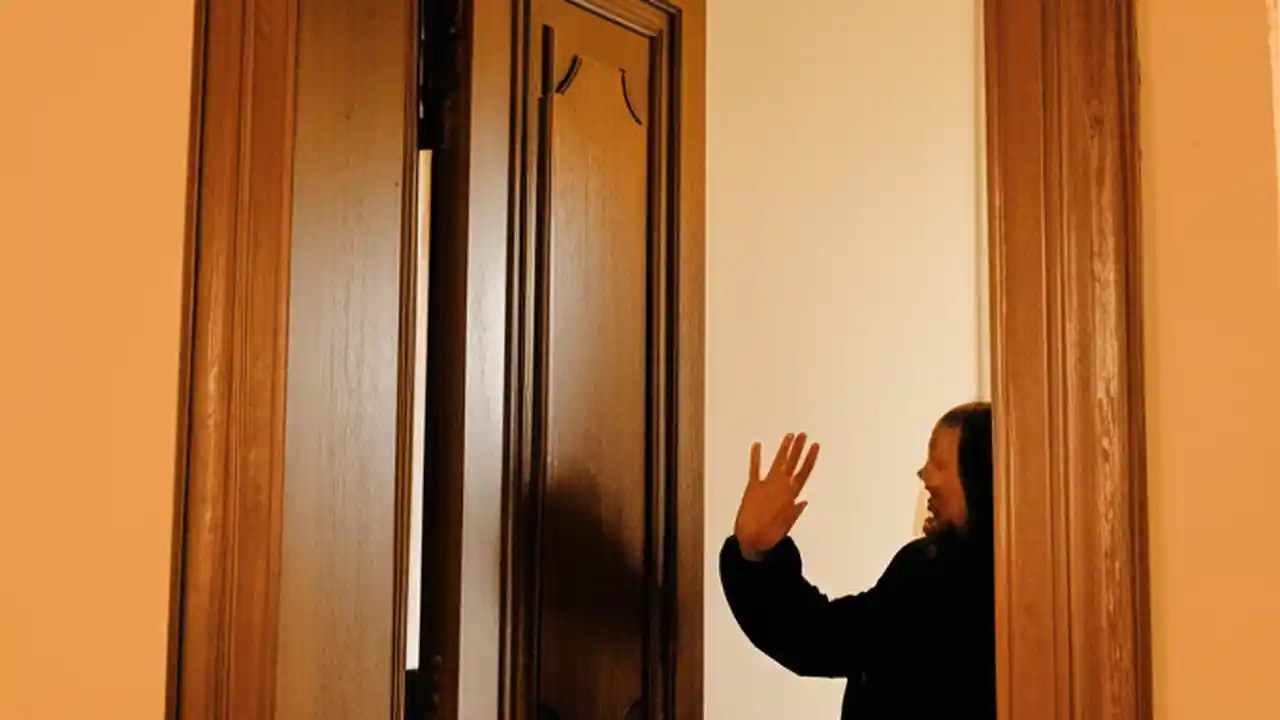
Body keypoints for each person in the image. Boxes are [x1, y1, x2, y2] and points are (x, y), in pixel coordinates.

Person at [720, 402, 995, 718]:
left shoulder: (983, 587)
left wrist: (757, 554)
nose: (924, 476)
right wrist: (757, 552)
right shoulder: (927, 572)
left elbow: (820, 639)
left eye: (939, 462)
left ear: (980, 477)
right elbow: (821, 637)